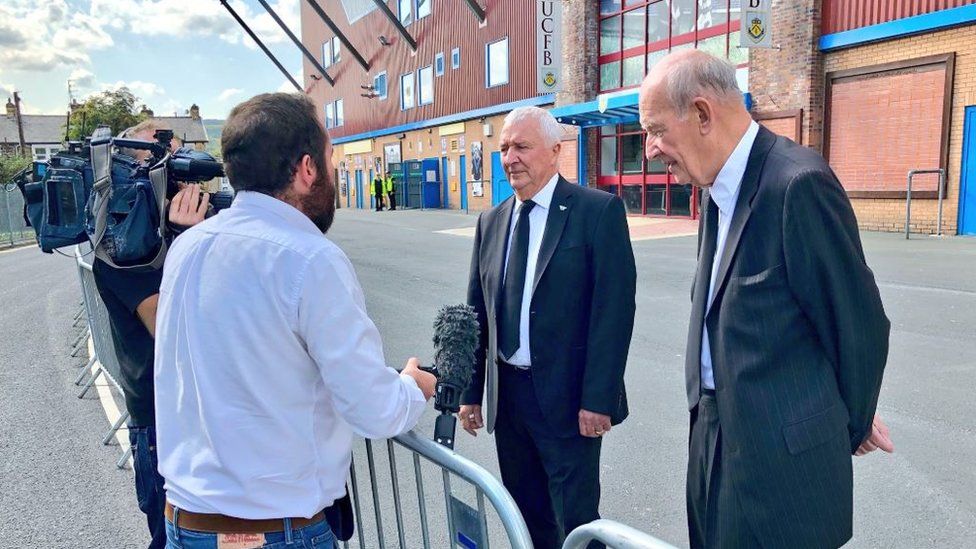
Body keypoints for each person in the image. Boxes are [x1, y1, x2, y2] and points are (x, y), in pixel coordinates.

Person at [154, 93, 436, 548]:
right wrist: (411, 387)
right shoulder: (311, 260)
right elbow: (373, 407)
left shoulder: (189, 246)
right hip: (276, 531)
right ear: (307, 169)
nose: (335, 171)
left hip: (186, 523)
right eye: (330, 158)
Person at [638, 50, 893, 548]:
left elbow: (859, 327)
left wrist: (842, 424)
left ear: (703, 114)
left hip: (786, 475)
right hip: (713, 443)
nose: (650, 149)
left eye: (657, 129)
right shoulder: (716, 189)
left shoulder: (797, 185)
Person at [458, 106, 637, 548]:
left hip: (569, 402)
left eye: (521, 146)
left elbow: (613, 313)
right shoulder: (491, 221)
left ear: (555, 151)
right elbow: (476, 310)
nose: (510, 158)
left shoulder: (597, 212)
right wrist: (469, 392)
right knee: (526, 515)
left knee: (576, 522)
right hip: (511, 400)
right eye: (503, 148)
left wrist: (599, 400)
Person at [90, 120, 208, 549]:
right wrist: (184, 240)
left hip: (197, 418)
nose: (181, 177)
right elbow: (169, 328)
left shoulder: (155, 239)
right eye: (169, 165)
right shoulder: (121, 250)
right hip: (161, 424)